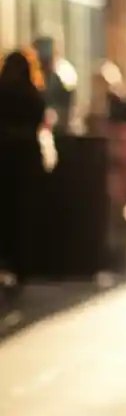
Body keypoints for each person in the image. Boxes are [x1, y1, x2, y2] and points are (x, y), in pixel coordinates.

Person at [0, 50, 48, 293]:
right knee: (24, 215)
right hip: (27, 161)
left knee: (5, 215)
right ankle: (23, 267)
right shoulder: (33, 95)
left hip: (4, 161)